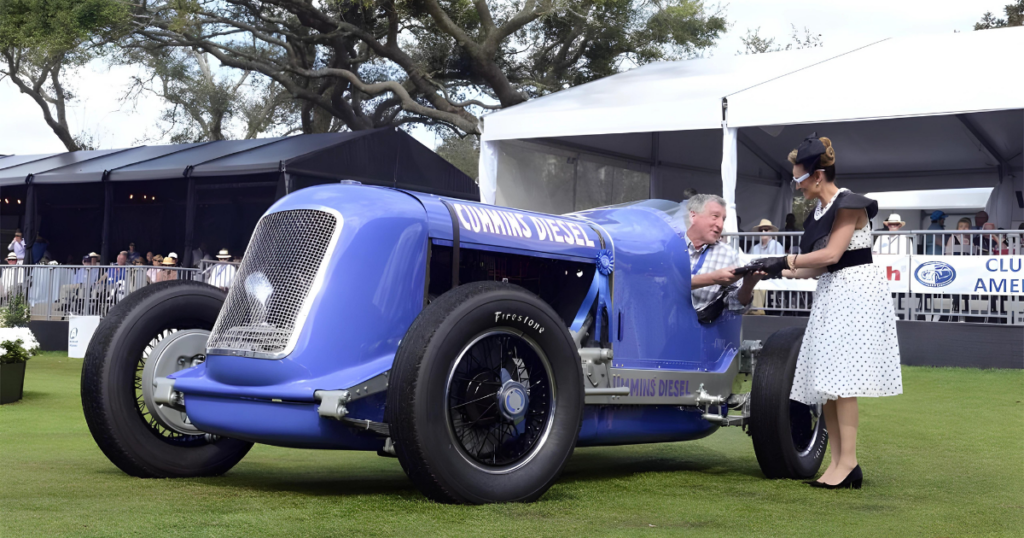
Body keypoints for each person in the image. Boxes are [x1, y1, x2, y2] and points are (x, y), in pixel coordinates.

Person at [757, 134, 902, 489]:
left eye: (798, 177)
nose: (796, 185)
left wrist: (786, 259)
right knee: (831, 383)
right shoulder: (821, 211)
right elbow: (817, 267)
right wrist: (776, 269)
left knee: (843, 381)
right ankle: (839, 464)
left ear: (817, 175)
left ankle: (848, 463)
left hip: (854, 292)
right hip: (834, 291)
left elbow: (832, 255)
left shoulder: (848, 204)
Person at [683, 194, 764, 318]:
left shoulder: (728, 254)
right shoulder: (669, 245)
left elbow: (736, 306)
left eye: (723, 219)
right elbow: (661, 284)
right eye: (715, 216)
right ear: (693, 216)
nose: (720, 225)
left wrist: (749, 284)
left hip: (699, 330)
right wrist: (712, 278)